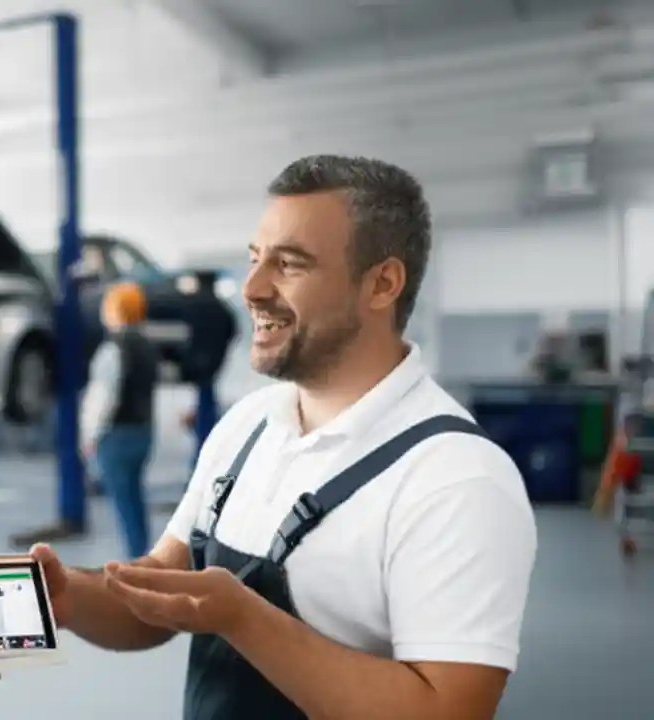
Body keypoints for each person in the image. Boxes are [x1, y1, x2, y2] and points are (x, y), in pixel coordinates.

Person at [33, 154, 538, 719]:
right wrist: (69, 594)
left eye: (289, 264)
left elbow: (448, 712)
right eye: (255, 260)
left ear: (382, 283)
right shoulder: (246, 427)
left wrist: (243, 618)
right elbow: (158, 595)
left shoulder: (456, 478)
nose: (252, 288)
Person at [80, 282, 160, 559]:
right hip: (143, 432)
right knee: (135, 499)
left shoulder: (112, 349)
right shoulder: (148, 346)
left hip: (116, 435)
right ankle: (144, 555)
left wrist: (90, 436)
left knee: (124, 503)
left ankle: (136, 562)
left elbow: (103, 397)